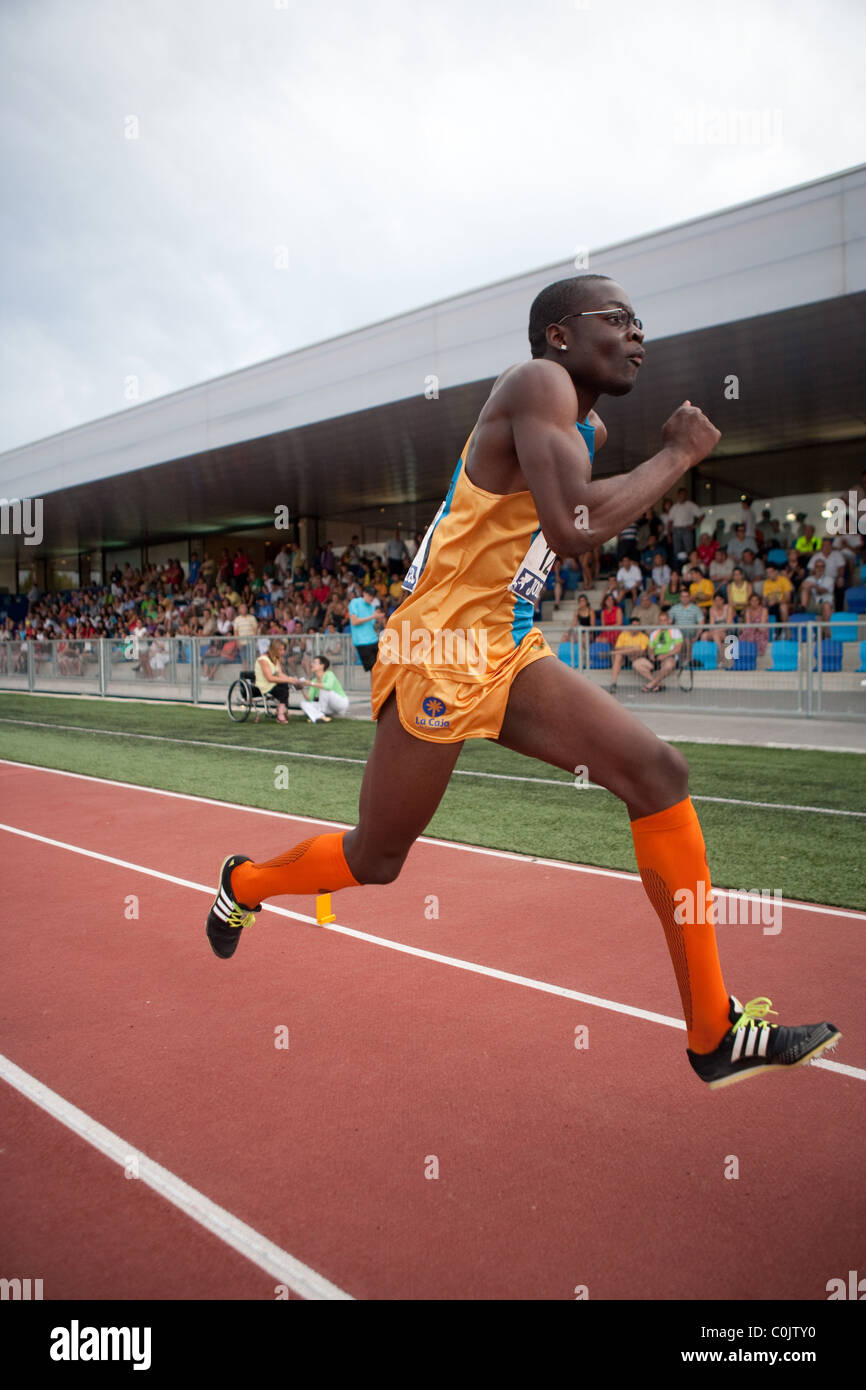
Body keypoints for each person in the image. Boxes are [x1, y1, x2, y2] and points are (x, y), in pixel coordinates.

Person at [206, 272, 839, 1090]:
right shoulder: (536, 383)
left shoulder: (568, 416)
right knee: (378, 858)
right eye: (619, 318)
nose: (639, 332)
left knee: (658, 774)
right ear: (559, 336)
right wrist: (681, 453)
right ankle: (243, 882)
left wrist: (603, 437)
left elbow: (575, 478)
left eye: (641, 320)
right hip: (439, 647)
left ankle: (714, 1034)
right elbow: (575, 528)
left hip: (504, 644)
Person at [631, 608, 683, 693]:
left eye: (665, 620)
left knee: (669, 665)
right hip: (656, 657)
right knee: (636, 664)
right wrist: (651, 655)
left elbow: (678, 648)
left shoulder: (675, 631)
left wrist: (664, 656)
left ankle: (651, 684)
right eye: (661, 620)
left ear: (669, 621)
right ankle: (658, 683)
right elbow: (650, 648)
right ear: (659, 621)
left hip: (668, 656)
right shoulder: (654, 633)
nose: (663, 622)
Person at [291, 656, 350, 723]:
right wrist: (301, 688)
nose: (311, 664)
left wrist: (310, 683)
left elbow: (328, 687)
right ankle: (320, 716)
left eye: (314, 663)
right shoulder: (314, 680)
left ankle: (319, 714)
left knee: (323, 689)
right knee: (303, 703)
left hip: (341, 704)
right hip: (328, 707)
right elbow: (309, 699)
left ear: (322, 666)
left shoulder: (329, 674)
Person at [255, 640, 293, 724]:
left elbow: (280, 674)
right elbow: (269, 678)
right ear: (274, 649)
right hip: (263, 686)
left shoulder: (276, 658)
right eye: (280, 650)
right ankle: (281, 713)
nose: (282, 652)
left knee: (285, 685)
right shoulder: (263, 660)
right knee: (283, 688)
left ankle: (281, 709)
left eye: (283, 650)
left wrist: (291, 679)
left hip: (272, 684)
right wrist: (288, 680)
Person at [609, 617, 649, 692]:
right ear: (630, 626)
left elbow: (641, 651)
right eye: (634, 625)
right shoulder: (623, 634)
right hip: (625, 659)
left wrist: (627, 649)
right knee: (618, 655)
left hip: (637, 658)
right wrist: (630, 648)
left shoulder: (644, 636)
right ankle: (614, 682)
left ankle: (613, 654)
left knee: (635, 649)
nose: (635, 628)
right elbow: (617, 648)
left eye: (637, 626)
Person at [347, 584, 381, 672]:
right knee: (373, 669)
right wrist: (372, 617)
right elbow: (354, 621)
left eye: (373, 596)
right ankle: (374, 686)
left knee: (380, 668)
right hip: (362, 642)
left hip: (374, 640)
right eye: (370, 595)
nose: (372, 598)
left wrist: (378, 618)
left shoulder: (372, 607)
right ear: (364, 593)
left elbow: (373, 625)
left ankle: (379, 686)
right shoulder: (355, 602)